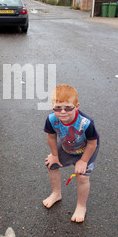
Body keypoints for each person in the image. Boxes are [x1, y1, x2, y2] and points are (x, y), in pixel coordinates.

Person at [43, 84, 99, 223]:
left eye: (68, 108)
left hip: (86, 149)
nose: (63, 112)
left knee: (82, 176)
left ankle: (81, 206)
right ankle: (56, 194)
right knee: (51, 165)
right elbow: (51, 137)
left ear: (77, 106)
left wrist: (84, 161)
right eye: (58, 108)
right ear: (52, 106)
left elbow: (93, 143)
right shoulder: (51, 119)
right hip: (68, 147)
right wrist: (55, 155)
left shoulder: (86, 123)